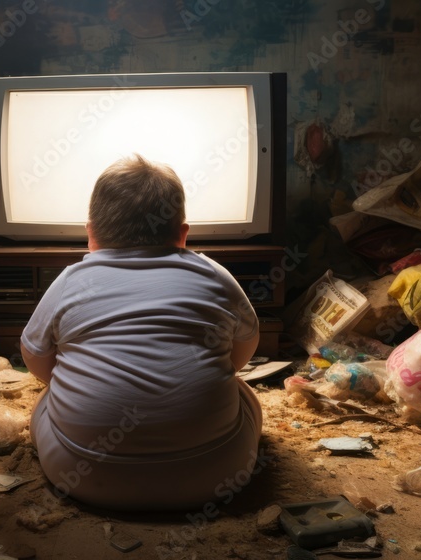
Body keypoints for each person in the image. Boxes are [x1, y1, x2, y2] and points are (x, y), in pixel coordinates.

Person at [22, 154, 264, 511]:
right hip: (218, 476)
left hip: (82, 476)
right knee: (242, 392)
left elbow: (36, 359)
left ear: (90, 234)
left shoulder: (71, 281)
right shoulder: (213, 274)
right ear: (183, 235)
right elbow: (244, 349)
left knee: (46, 401)